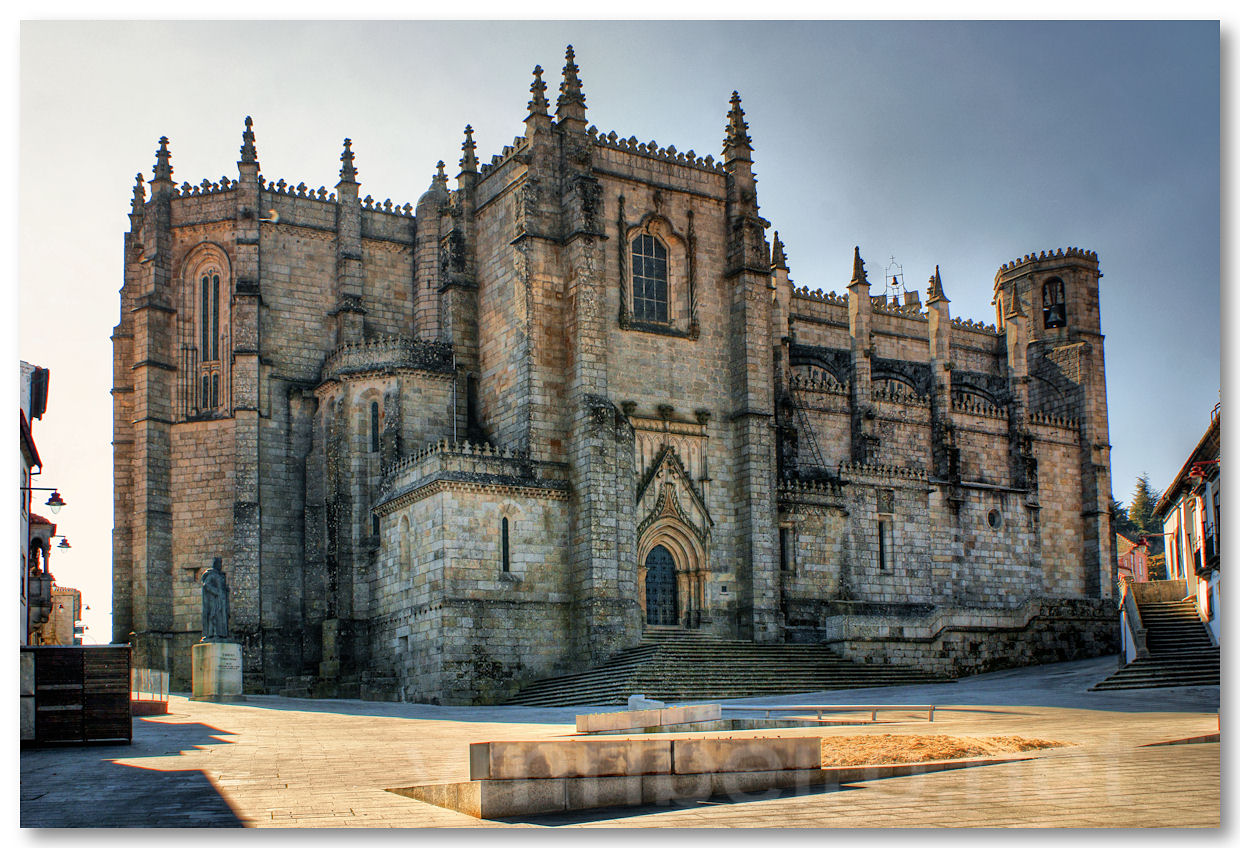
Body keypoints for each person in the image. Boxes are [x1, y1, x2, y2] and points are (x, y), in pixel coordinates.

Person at [201, 558, 229, 641]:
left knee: (222, 617)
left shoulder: (220, 575)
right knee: (214, 616)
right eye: (219, 564)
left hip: (222, 600)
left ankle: (221, 634)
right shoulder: (211, 574)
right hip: (215, 600)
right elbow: (206, 585)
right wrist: (216, 592)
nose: (220, 566)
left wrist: (226, 589)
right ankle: (212, 634)